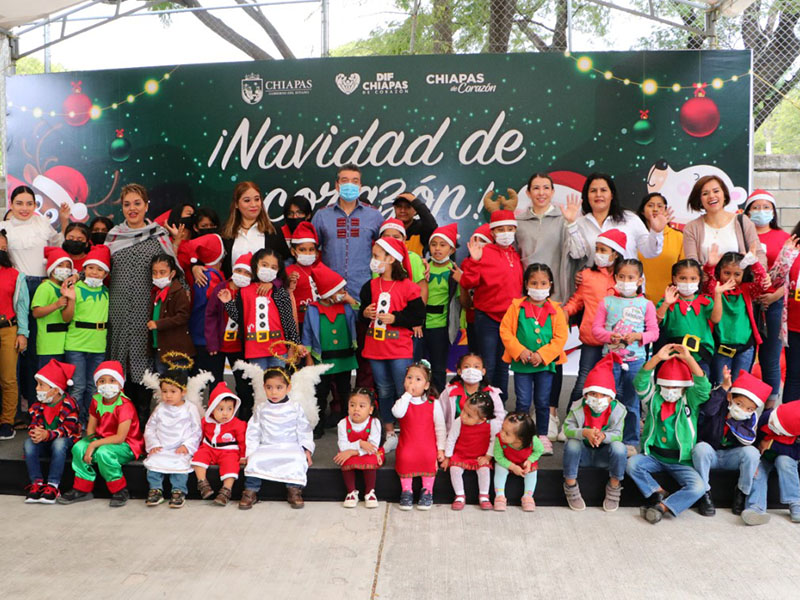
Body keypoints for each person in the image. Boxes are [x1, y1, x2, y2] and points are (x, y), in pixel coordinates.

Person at [106, 183, 183, 434]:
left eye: (137, 203)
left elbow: (174, 273)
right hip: (117, 311)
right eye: (127, 204)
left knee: (143, 366)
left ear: (146, 205)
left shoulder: (158, 235)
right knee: (120, 364)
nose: (132, 208)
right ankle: (122, 427)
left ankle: (143, 423)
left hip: (146, 312)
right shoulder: (113, 237)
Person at [1, 185, 68, 426]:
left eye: (29, 203)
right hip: (16, 288)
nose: (25, 208)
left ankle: (35, 403)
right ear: (11, 204)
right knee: (17, 347)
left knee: (37, 347)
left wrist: (63, 220)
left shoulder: (42, 225)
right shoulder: (4, 229)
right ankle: (15, 407)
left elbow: (60, 245)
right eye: (19, 203)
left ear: (35, 205)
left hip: (42, 287)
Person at [312, 164, 382, 388]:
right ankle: (337, 407)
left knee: (366, 354)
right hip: (331, 298)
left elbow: (390, 250)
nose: (349, 184)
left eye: (354, 180)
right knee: (334, 354)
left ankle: (364, 399)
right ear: (336, 185)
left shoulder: (374, 216)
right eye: (344, 180)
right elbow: (309, 252)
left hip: (365, 295)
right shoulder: (322, 216)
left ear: (360, 185)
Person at [626, 345, 711, 524]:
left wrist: (689, 359)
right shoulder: (654, 398)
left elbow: (704, 387)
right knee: (632, 464)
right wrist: (657, 358)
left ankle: (662, 507)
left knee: (698, 486)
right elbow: (639, 382)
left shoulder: (690, 399)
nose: (669, 390)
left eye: (675, 386)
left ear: (684, 387)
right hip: (655, 457)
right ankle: (657, 492)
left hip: (681, 461)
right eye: (665, 385)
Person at [360, 237, 424, 450]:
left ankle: (408, 431)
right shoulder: (370, 285)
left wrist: (396, 319)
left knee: (404, 390)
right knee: (384, 390)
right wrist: (365, 313)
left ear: (391, 259)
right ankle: (390, 433)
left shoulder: (408, 287)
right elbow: (362, 315)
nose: (374, 260)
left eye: (377, 256)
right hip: (376, 348)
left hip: (399, 349)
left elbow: (417, 317)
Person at [499, 263, 568, 455]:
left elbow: (560, 338)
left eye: (543, 283)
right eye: (534, 283)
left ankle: (542, 435)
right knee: (522, 401)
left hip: (545, 366)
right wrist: (520, 351)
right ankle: (522, 435)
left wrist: (542, 355)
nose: (538, 287)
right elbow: (505, 331)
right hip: (522, 365)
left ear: (550, 285)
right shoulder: (516, 307)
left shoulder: (556, 310)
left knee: (542, 401)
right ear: (526, 284)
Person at [592, 256, 659, 453]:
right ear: (615, 278)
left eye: (631, 277)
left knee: (631, 402)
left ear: (639, 281)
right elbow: (596, 330)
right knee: (605, 400)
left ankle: (630, 441)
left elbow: (654, 333)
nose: (626, 281)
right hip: (610, 360)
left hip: (636, 361)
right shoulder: (607, 302)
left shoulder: (646, 305)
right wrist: (610, 336)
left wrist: (638, 336)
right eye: (621, 276)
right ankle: (604, 436)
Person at [58, 361, 145, 507]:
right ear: (96, 384)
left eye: (112, 380)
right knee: (78, 447)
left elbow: (120, 437)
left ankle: (119, 490)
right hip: (102, 439)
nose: (107, 384)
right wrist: (89, 443)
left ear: (120, 382)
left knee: (103, 453)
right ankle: (82, 488)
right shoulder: (96, 400)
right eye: (102, 381)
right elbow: (91, 429)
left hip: (126, 444)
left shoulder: (124, 405)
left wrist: (94, 445)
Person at [460, 210, 523, 403]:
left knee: (504, 364)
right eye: (500, 229)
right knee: (488, 364)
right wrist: (475, 261)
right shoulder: (484, 252)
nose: (505, 233)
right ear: (493, 233)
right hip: (487, 318)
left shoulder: (515, 254)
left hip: (509, 320)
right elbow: (468, 282)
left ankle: (499, 405)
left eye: (509, 229)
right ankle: (484, 404)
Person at [692, 367, 769, 518]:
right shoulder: (719, 404)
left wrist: (732, 422)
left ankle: (741, 493)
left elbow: (748, 439)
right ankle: (704, 494)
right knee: (700, 449)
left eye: (749, 408)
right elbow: (707, 410)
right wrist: (724, 388)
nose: (743, 410)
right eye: (739, 404)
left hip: (731, 457)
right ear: (730, 398)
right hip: (712, 453)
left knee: (752, 453)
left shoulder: (751, 417)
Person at [240, 368, 314, 510]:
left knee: (297, 459)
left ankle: (293, 490)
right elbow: (253, 431)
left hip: (290, 445)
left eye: (279, 388)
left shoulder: (295, 407)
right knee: (255, 460)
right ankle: (251, 491)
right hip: (267, 446)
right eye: (269, 387)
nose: (274, 392)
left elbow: (304, 430)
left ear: (288, 388)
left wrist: (306, 449)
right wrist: (250, 452)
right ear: (264, 388)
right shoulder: (261, 408)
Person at [562, 230, 621, 410]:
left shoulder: (624, 278)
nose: (598, 254)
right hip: (591, 339)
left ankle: (609, 424)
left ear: (615, 253)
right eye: (597, 249)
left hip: (616, 342)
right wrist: (563, 312)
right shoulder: (587, 275)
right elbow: (577, 301)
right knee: (583, 381)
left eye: (603, 250)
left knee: (614, 385)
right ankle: (571, 419)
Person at [561, 353, 628, 512]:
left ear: (611, 397)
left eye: (603, 395)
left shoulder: (618, 410)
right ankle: (571, 486)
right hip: (582, 456)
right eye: (593, 394)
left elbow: (618, 434)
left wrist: (604, 436)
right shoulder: (577, 407)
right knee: (571, 444)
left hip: (604, 457)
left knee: (619, 447)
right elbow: (567, 429)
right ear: (585, 395)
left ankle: (614, 486)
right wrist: (584, 432)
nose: (598, 399)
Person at [219, 248, 300, 370]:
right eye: (264, 265)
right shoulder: (244, 291)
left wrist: (293, 346)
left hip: (279, 347)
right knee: (258, 384)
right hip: (254, 348)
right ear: (256, 265)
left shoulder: (280, 291)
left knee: (279, 382)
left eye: (273, 267)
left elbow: (289, 320)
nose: (268, 269)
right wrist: (228, 302)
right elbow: (239, 318)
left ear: (278, 271)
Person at [744, 189, 790, 408]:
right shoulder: (742, 236)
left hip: (774, 304)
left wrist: (774, 296)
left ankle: (770, 409)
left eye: (766, 207)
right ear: (747, 211)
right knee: (743, 355)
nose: (761, 212)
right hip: (744, 304)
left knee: (770, 358)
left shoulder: (784, 238)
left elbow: (793, 274)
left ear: (773, 211)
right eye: (755, 207)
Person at [302, 263, 358, 438]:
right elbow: (307, 335)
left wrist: (351, 300)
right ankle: (317, 424)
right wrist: (309, 358)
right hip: (322, 358)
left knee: (344, 390)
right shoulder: (312, 309)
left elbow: (361, 315)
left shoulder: (347, 306)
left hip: (344, 356)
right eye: (339, 290)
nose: (343, 293)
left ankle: (347, 422)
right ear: (327, 292)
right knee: (321, 392)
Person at [703, 243, 769, 385]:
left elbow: (763, 284)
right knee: (721, 384)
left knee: (741, 385)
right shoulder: (716, 289)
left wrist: (755, 263)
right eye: (727, 273)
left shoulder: (747, 289)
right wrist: (710, 266)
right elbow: (706, 283)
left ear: (744, 274)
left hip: (745, 348)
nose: (731, 278)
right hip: (721, 348)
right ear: (719, 272)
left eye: (737, 274)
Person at [142, 358, 204, 509]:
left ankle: (178, 491)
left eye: (173, 392)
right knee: (154, 463)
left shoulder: (190, 408)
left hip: (179, 447)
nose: (168, 396)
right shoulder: (160, 408)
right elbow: (150, 427)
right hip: (162, 446)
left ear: (183, 392)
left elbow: (196, 430)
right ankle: (155, 489)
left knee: (180, 465)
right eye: (164, 392)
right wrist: (154, 444)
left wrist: (186, 446)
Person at [515, 172, 586, 303]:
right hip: (527, 295)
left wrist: (571, 223)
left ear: (552, 192)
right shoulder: (518, 222)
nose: (541, 193)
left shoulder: (564, 219)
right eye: (536, 188)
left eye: (546, 188)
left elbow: (579, 253)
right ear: (528, 193)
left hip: (558, 295)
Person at [63, 244, 111, 427]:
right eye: (91, 268)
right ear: (84, 270)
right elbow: (66, 317)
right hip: (76, 344)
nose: (95, 273)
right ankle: (73, 422)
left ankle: (89, 423)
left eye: (100, 270)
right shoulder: (75, 288)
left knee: (93, 387)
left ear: (106, 274)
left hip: (98, 345)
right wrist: (71, 301)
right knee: (77, 386)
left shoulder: (106, 293)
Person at [575, 173, 667, 266]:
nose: (598, 194)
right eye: (593, 191)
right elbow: (576, 257)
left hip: (626, 279)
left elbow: (650, 252)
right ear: (587, 196)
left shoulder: (630, 219)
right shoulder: (579, 224)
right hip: (593, 280)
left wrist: (656, 232)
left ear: (612, 195)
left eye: (603, 190)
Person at [205, 253, 256, 420]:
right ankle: (215, 413)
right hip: (219, 346)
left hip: (240, 347)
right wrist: (212, 342)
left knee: (243, 384)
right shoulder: (221, 288)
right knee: (215, 381)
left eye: (247, 273)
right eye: (239, 270)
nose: (242, 275)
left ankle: (244, 414)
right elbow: (210, 316)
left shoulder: (249, 292)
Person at [23, 359, 80, 504]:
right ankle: (37, 483)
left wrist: (47, 434)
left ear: (54, 390)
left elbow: (68, 429)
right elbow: (34, 423)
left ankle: (53, 485)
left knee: (59, 443)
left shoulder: (69, 404)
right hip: (45, 442)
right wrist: (35, 432)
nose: (37, 388)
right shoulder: (37, 405)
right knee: (29, 443)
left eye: (41, 385)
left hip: (64, 445)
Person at [392, 361, 446, 511]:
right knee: (404, 457)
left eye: (418, 379)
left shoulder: (433, 403)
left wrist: (441, 449)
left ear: (426, 385)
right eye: (409, 378)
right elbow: (397, 413)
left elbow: (440, 428)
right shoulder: (402, 402)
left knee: (429, 459)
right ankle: (406, 491)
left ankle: (427, 491)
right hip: (408, 444)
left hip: (427, 446)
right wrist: (407, 395)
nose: (412, 382)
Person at [655, 259, 720, 377]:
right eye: (683, 278)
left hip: (701, 355)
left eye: (693, 279)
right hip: (674, 355)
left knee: (701, 387)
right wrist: (666, 304)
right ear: (674, 279)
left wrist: (718, 295)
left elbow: (716, 319)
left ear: (699, 279)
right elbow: (656, 322)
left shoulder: (705, 301)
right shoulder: (668, 301)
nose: (688, 282)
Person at [682, 175, 766, 266]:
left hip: (739, 280)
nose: (711, 196)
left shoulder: (743, 221)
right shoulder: (691, 228)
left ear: (724, 195)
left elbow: (759, 254)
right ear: (699, 200)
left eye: (716, 191)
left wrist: (760, 274)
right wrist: (708, 269)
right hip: (706, 279)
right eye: (705, 193)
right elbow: (691, 267)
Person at [741, 401, 800, 525]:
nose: (773, 424)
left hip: (787, 458)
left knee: (784, 462)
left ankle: (796, 504)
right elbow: (754, 439)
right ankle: (755, 508)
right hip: (764, 457)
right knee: (757, 471)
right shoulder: (767, 416)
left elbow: (797, 453)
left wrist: (772, 444)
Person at [191, 381, 247, 507]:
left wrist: (243, 455)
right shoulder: (206, 421)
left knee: (231, 465)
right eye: (220, 409)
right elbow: (200, 435)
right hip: (209, 447)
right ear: (212, 408)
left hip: (229, 451)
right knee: (199, 457)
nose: (225, 413)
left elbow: (243, 441)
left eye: (230, 409)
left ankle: (226, 490)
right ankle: (202, 482)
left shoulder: (237, 424)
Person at [421, 223, 462, 392]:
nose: (437, 249)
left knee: (438, 368)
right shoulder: (422, 267)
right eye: (434, 244)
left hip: (441, 328)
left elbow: (462, 301)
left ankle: (438, 402)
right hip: (420, 326)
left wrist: (463, 281)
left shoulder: (454, 272)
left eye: (442, 245)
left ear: (451, 250)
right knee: (418, 366)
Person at [179, 233, 226, 380]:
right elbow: (215, 310)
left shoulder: (198, 273)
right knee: (214, 381)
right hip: (208, 338)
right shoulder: (210, 277)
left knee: (195, 383)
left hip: (196, 335)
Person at [220, 181, 289, 277]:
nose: (253, 205)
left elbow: (285, 261)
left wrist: (274, 284)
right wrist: (196, 267)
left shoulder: (273, 230)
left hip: (264, 290)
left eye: (257, 199)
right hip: (233, 289)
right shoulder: (225, 231)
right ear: (236, 204)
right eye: (247, 200)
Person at [442, 391, 497, 511]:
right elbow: (451, 439)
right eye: (463, 410)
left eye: (469, 415)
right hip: (461, 455)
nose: (463, 416)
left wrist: (488, 457)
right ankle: (460, 495)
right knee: (454, 469)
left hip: (480, 456)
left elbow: (494, 441)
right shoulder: (459, 422)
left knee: (484, 470)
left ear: (482, 418)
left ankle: (484, 495)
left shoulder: (491, 424)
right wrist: (448, 457)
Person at [0, 230, 29, 440]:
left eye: (3, 247)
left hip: (8, 329)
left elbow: (22, 307)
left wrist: (23, 333)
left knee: (8, 379)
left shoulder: (16, 275)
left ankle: (7, 422)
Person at [333, 389, 383, 509]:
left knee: (371, 460)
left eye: (362, 406)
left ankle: (370, 491)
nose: (356, 409)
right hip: (352, 453)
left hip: (369, 452)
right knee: (345, 459)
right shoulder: (342, 424)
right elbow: (343, 446)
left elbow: (372, 446)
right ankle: (351, 492)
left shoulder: (374, 423)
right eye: (352, 405)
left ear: (370, 409)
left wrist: (354, 451)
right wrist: (360, 443)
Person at [148, 253, 195, 379]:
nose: (158, 276)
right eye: (155, 273)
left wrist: (158, 324)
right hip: (160, 349)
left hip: (176, 351)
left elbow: (183, 316)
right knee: (163, 386)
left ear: (172, 273)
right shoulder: (156, 292)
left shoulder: (178, 292)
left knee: (177, 385)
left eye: (162, 272)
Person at [438, 352, 506, 434]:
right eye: (466, 366)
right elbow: (440, 416)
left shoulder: (492, 393)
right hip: (456, 437)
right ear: (459, 371)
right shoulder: (449, 392)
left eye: (476, 367)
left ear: (483, 371)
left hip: (484, 437)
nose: (471, 370)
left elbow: (499, 418)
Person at [636, 193, 684, 304]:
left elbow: (685, 271)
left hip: (672, 300)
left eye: (660, 206)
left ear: (666, 211)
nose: (655, 209)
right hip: (640, 300)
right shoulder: (637, 237)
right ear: (642, 211)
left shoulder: (678, 237)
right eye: (650, 205)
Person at [31, 247, 74, 368]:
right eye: (60, 265)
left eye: (67, 266)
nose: (64, 269)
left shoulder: (68, 289)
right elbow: (36, 312)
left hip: (65, 345)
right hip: (48, 346)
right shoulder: (45, 287)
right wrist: (56, 305)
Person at [492, 412, 544, 512]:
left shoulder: (532, 441)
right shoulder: (500, 438)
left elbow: (539, 450)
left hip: (524, 462)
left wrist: (530, 460)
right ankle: (500, 495)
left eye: (507, 433)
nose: (502, 433)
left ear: (521, 438)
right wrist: (512, 467)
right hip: (507, 461)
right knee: (499, 468)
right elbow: (498, 457)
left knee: (532, 471)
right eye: (502, 428)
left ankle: (528, 496)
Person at [460, 224, 492, 354]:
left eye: (483, 240)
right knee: (474, 355)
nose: (479, 244)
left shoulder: (495, 265)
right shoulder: (467, 263)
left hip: (491, 318)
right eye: (476, 240)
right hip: (472, 318)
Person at [777, 231, 800, 404]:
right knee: (794, 375)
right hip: (794, 325)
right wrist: (786, 255)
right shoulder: (792, 252)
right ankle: (788, 425)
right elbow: (774, 280)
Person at [285, 222, 321, 325]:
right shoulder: (288, 271)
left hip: (320, 318)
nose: (307, 253)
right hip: (300, 321)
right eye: (302, 250)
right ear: (293, 251)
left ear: (316, 252)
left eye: (311, 250)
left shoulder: (320, 269)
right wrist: (287, 282)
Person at [392, 192, 438, 256]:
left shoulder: (421, 227)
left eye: (408, 207)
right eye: (399, 206)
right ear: (394, 208)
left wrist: (415, 202)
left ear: (416, 210)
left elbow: (432, 226)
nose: (402, 210)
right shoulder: (388, 227)